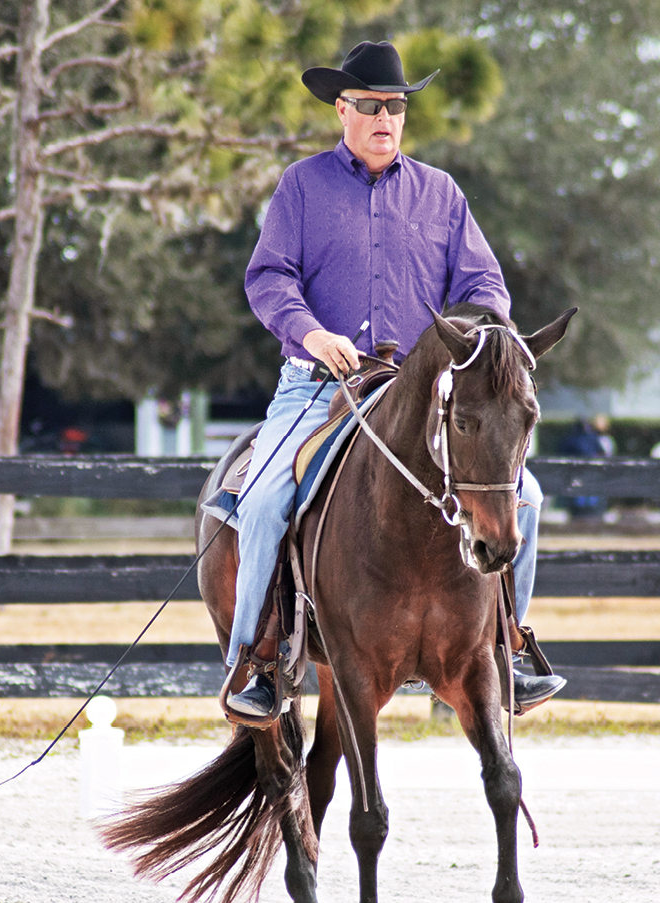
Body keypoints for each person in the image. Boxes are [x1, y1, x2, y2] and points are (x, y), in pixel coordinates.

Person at [224, 39, 565, 720]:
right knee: (262, 504)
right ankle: (256, 664)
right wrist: (312, 333)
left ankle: (510, 648)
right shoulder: (301, 186)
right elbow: (268, 277)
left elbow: (482, 282)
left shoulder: (440, 194)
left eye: (397, 107)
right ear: (342, 111)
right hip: (318, 385)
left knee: (523, 494)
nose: (387, 118)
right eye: (373, 106)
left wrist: (488, 334)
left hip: (418, 395)